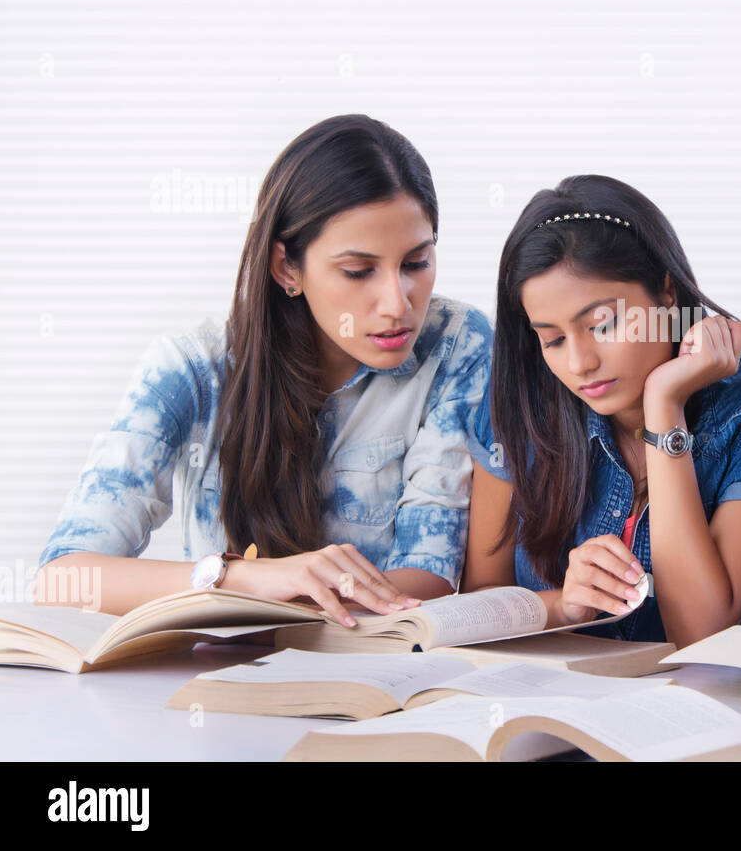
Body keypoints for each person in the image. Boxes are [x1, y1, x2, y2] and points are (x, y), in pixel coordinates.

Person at [35, 115, 492, 625]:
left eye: (416, 262)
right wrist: (240, 580)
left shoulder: (457, 344)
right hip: (221, 680)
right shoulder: (190, 372)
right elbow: (61, 579)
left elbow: (430, 574)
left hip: (383, 676)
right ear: (286, 268)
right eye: (359, 271)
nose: (397, 303)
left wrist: (303, 598)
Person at [462, 174, 741, 647]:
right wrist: (561, 604)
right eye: (554, 339)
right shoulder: (520, 403)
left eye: (603, 325)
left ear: (667, 294)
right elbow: (480, 603)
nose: (580, 363)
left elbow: (704, 633)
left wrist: (665, 407)